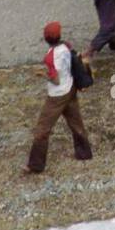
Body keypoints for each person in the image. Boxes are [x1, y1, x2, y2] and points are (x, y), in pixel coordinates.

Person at [25, 22, 93, 174]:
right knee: (76, 123)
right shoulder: (66, 46)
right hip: (70, 88)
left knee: (42, 130)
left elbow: (55, 80)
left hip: (57, 95)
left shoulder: (50, 57)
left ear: (46, 38)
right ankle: (84, 153)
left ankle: (35, 165)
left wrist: (42, 74)